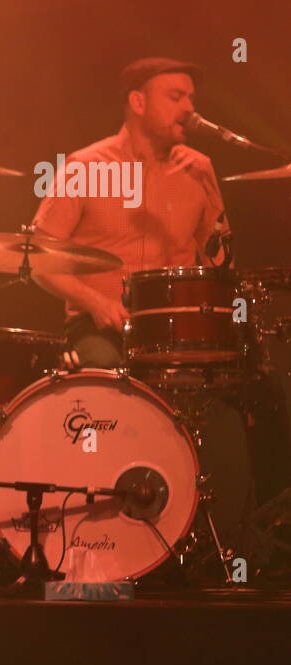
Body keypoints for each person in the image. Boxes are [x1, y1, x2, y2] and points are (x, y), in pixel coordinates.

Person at [32, 56, 287, 506]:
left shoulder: (199, 168)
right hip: (103, 329)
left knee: (263, 388)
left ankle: (254, 533)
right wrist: (93, 301)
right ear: (137, 101)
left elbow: (220, 263)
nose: (189, 108)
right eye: (176, 97)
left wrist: (222, 239)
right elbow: (38, 260)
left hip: (185, 334)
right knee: (104, 380)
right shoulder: (84, 167)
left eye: (191, 98)